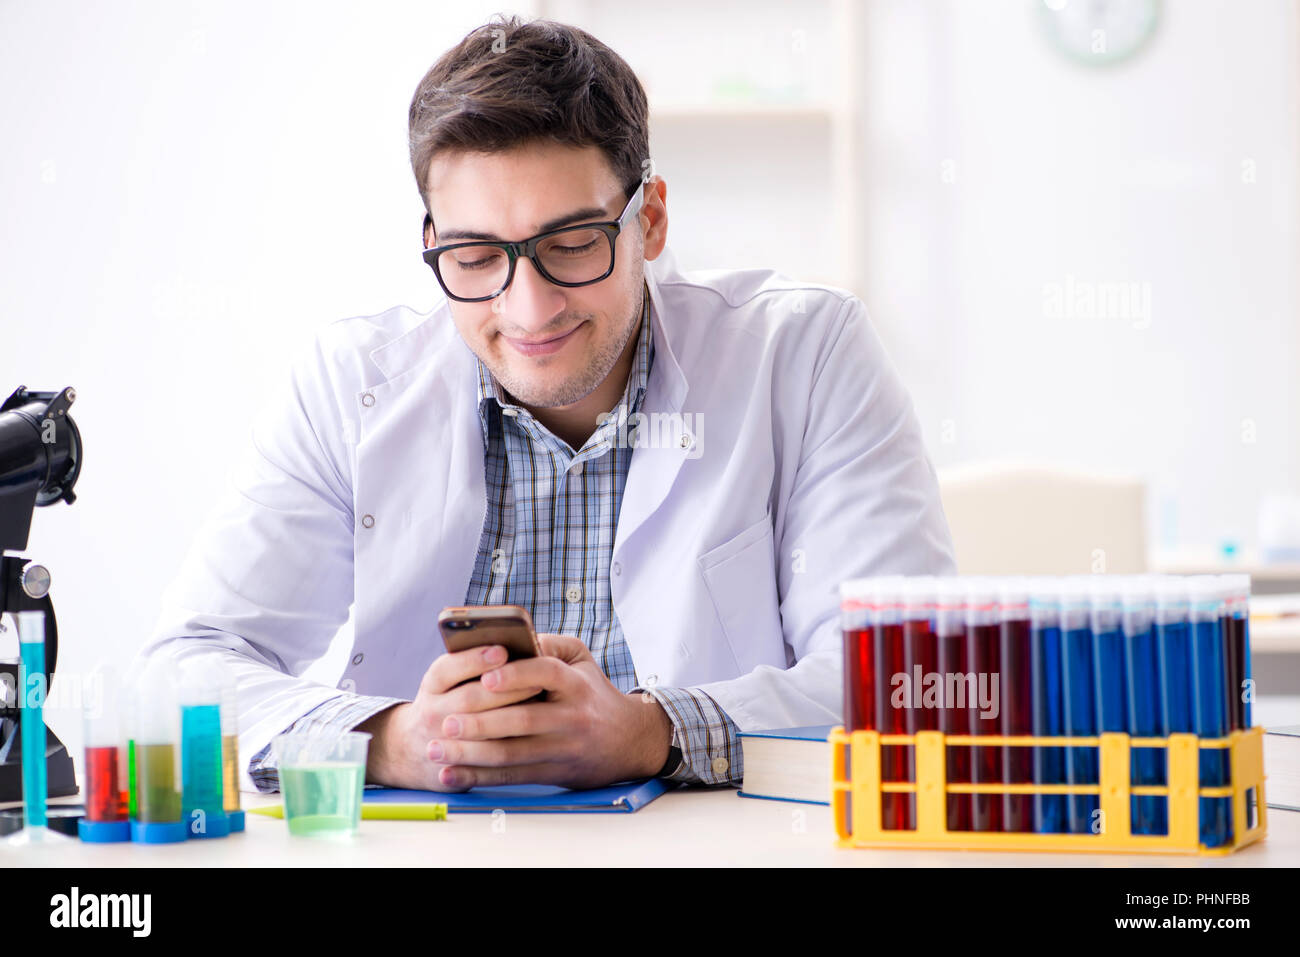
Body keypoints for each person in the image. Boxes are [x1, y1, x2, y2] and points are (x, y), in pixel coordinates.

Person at [141, 14, 956, 795]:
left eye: (571, 246)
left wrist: (653, 732)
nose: (530, 310)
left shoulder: (806, 355)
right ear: (432, 243)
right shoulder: (348, 386)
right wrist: (392, 740)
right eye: (475, 255)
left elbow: (912, 682)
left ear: (653, 219)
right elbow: (185, 667)